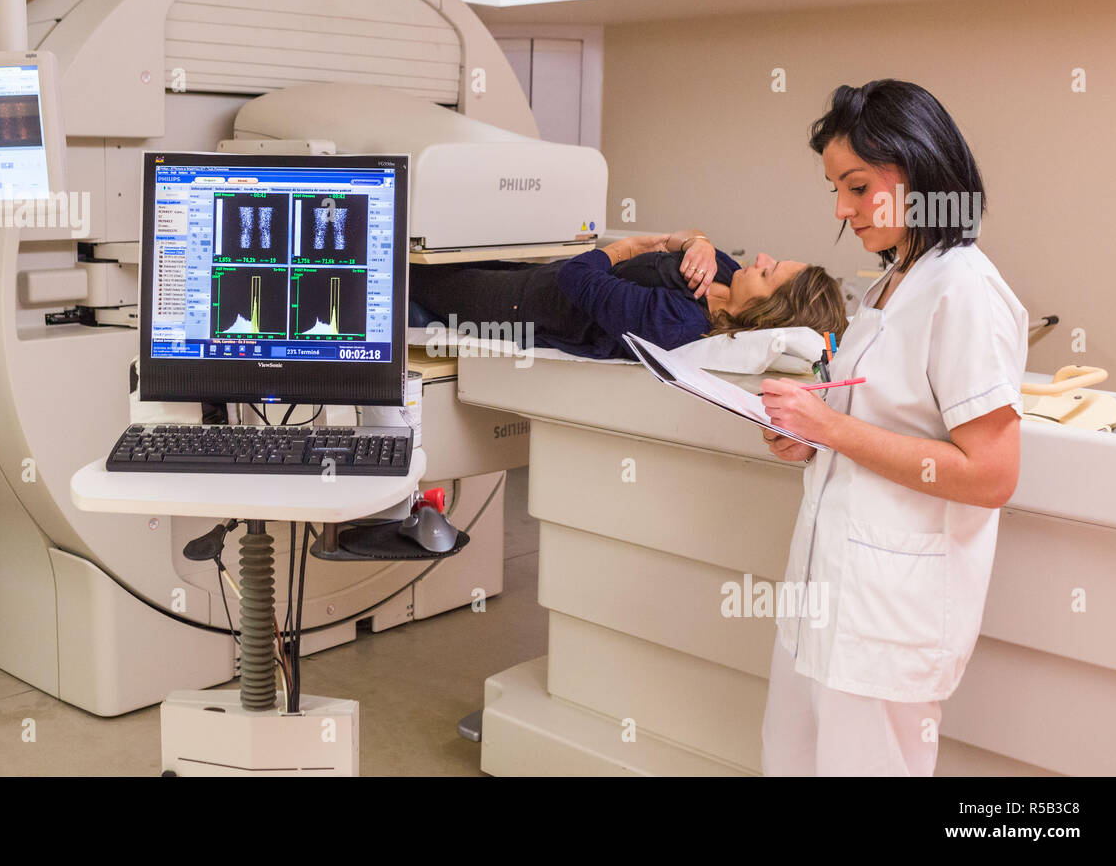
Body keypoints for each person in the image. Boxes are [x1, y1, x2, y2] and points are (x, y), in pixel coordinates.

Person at [758, 79, 1028, 776]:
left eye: (858, 187)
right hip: (826, 596)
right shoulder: (888, 286)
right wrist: (811, 438)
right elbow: (875, 424)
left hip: (887, 618)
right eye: (835, 192)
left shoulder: (964, 288)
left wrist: (835, 430)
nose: (845, 212)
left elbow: (993, 475)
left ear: (920, 166)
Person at [408, 229, 848, 359]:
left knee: (416, 281)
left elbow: (578, 278)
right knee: (430, 264)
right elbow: (689, 237)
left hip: (522, 306)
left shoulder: (679, 323)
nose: (762, 256)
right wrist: (696, 242)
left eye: (768, 272)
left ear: (765, 309)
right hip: (536, 278)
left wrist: (626, 249)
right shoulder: (727, 277)